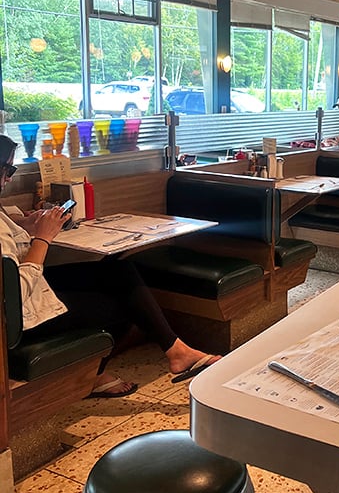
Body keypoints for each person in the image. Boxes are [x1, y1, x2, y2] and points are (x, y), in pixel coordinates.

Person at [0, 135, 220, 396]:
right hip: (18, 318)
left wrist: (21, 224)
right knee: (121, 306)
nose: (11, 178)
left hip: (32, 291)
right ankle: (94, 375)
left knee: (116, 269)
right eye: (8, 170)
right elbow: (13, 294)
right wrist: (42, 238)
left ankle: (178, 352)